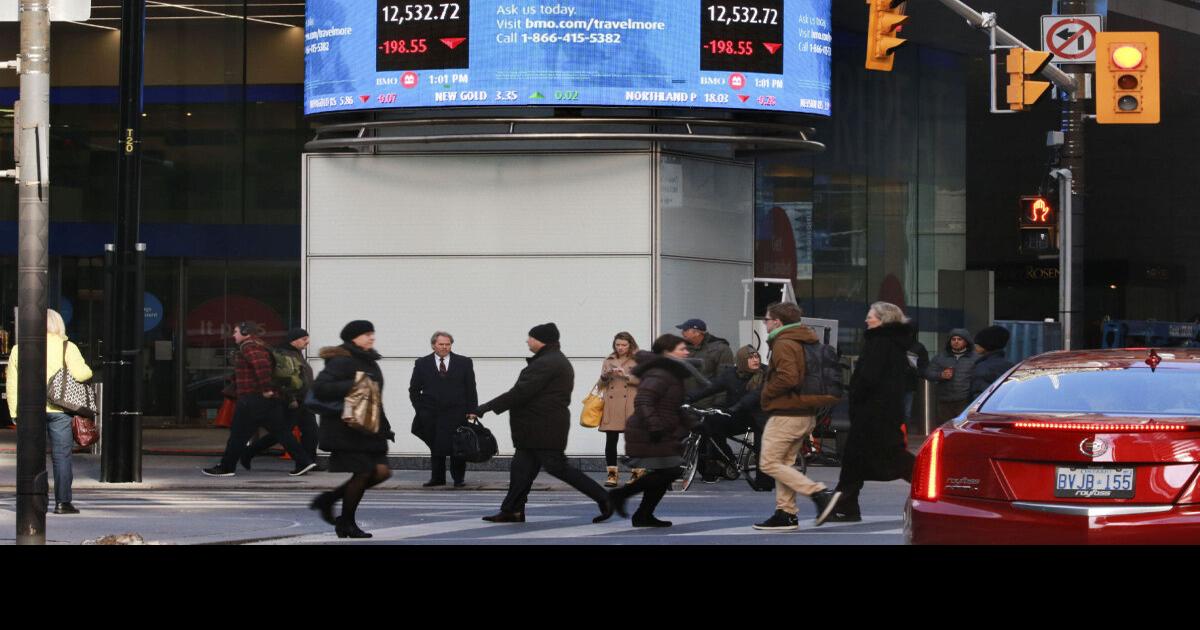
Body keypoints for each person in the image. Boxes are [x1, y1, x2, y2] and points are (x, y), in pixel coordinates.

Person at [471, 323, 613, 524]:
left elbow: (521, 392)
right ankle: (512, 510)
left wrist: (485, 408)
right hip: (536, 428)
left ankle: (605, 498)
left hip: (543, 427)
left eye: (530, 337)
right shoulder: (551, 360)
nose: (527, 341)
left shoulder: (547, 362)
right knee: (521, 470)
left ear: (541, 340)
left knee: (557, 467)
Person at [751, 302, 842, 531]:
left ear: (777, 322)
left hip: (787, 413)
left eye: (767, 319)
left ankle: (820, 494)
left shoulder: (784, 342)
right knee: (785, 464)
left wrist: (766, 392)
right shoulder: (803, 339)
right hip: (804, 412)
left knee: (769, 463)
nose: (765, 323)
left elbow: (788, 377)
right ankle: (786, 514)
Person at [828, 302, 918, 522]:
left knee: (886, 457)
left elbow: (869, 377)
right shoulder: (895, 343)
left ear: (883, 319)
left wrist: (856, 394)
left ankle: (934, 481)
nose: (867, 320)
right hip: (883, 411)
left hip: (873, 412)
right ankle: (845, 503)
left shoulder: (879, 342)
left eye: (871, 316)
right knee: (859, 459)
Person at [309, 320, 395, 538]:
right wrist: (354, 384)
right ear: (353, 338)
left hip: (370, 428)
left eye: (372, 333)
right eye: (367, 334)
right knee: (363, 472)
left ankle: (328, 500)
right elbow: (320, 388)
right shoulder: (342, 360)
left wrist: (385, 427)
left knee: (382, 472)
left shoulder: (369, 359)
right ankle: (347, 523)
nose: (372, 337)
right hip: (347, 428)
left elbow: (373, 398)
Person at [203, 322, 318, 477]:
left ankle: (226, 467)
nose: (233, 335)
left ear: (246, 333)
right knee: (281, 432)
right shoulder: (261, 346)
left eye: (236, 332)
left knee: (238, 435)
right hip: (262, 399)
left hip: (252, 398)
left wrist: (266, 389)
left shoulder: (249, 346)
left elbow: (262, 366)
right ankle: (303, 461)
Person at [5, 309, 93, 514]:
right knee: (61, 457)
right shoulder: (67, 347)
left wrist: (15, 412)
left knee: (31, 457)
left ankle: (32, 500)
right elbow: (83, 373)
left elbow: (12, 383)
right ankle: (63, 503)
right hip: (60, 409)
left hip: (30, 410)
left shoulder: (19, 349)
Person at [606, 334, 694, 527]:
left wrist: (691, 423)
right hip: (650, 431)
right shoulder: (660, 373)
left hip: (660, 429)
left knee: (666, 472)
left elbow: (672, 405)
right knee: (670, 471)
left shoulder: (670, 372)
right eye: (681, 349)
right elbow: (644, 400)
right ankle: (622, 496)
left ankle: (642, 514)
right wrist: (655, 426)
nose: (686, 352)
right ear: (667, 352)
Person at [686, 344, 772, 489]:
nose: (755, 360)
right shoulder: (730, 374)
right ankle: (727, 461)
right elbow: (710, 387)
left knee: (761, 448)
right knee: (709, 424)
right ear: (742, 360)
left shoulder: (766, 374)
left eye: (756, 356)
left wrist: (736, 407)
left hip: (760, 418)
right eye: (750, 357)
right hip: (738, 416)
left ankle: (764, 483)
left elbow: (755, 395)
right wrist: (689, 397)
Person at [240, 328, 321, 470]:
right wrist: (291, 398)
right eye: (304, 339)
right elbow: (282, 379)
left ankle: (308, 462)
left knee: (311, 432)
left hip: (304, 400)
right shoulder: (283, 354)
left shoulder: (297, 354)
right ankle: (249, 452)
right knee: (282, 434)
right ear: (293, 340)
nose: (307, 342)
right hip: (291, 401)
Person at [409, 331, 478, 488]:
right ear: (433, 345)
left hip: (457, 412)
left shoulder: (464, 362)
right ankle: (437, 478)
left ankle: (458, 479)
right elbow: (414, 390)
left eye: (448, 344)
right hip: (431, 413)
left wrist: (472, 410)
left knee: (458, 445)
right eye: (441, 344)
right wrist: (420, 409)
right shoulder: (422, 363)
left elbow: (471, 388)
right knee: (435, 445)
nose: (445, 347)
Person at [598, 332, 639, 487]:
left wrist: (626, 375)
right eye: (617, 344)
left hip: (630, 403)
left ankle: (637, 473)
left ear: (630, 345)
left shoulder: (638, 360)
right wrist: (605, 376)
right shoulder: (609, 360)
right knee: (611, 440)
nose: (620, 348)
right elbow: (601, 385)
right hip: (612, 404)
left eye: (624, 345)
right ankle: (612, 475)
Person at [676, 318, 734, 406]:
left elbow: (725, 379)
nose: (682, 333)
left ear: (696, 333)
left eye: (685, 330)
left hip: (706, 404)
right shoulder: (682, 349)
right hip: (684, 402)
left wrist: (719, 405)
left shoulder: (721, 349)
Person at [923, 328, 976, 422]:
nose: (956, 342)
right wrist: (940, 375)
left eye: (959, 339)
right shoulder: (940, 357)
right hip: (944, 401)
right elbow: (928, 373)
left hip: (965, 401)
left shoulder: (974, 358)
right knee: (945, 426)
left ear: (966, 341)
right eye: (953, 339)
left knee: (963, 427)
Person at [970, 325, 1015, 399]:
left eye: (978, 343)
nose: (975, 346)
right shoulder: (1010, 365)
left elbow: (980, 396)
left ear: (986, 345)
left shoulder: (983, 367)